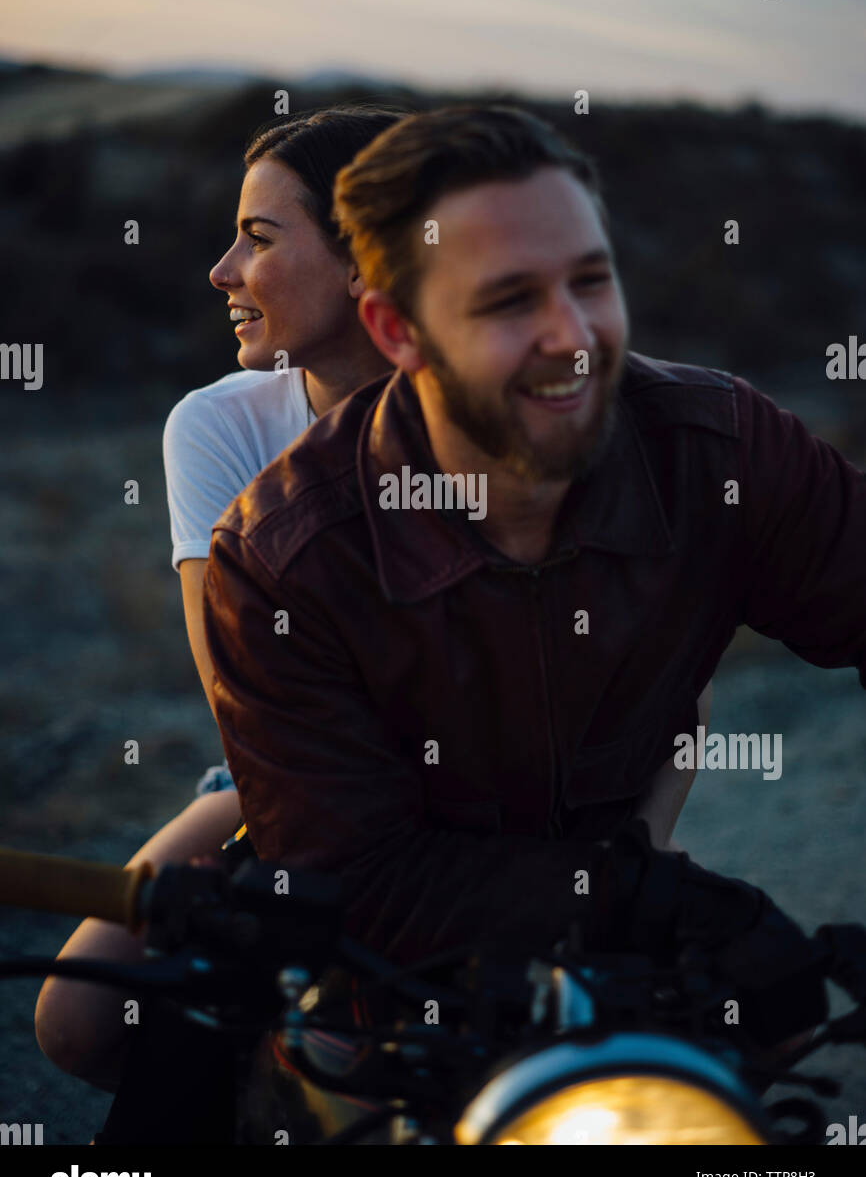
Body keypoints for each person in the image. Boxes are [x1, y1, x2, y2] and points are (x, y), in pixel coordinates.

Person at [203, 104, 865, 983]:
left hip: (629, 961)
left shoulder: (723, 445)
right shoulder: (280, 556)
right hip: (403, 1012)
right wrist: (654, 906)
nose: (574, 339)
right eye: (509, 298)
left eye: (590, 282)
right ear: (398, 330)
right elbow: (356, 881)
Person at [33, 105, 403, 1092]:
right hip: (283, 780)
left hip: (500, 794)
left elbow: (665, 680)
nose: (221, 270)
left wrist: (627, 845)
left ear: (368, 262)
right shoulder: (218, 424)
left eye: (260, 237)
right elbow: (238, 700)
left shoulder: (505, 417)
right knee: (77, 1016)